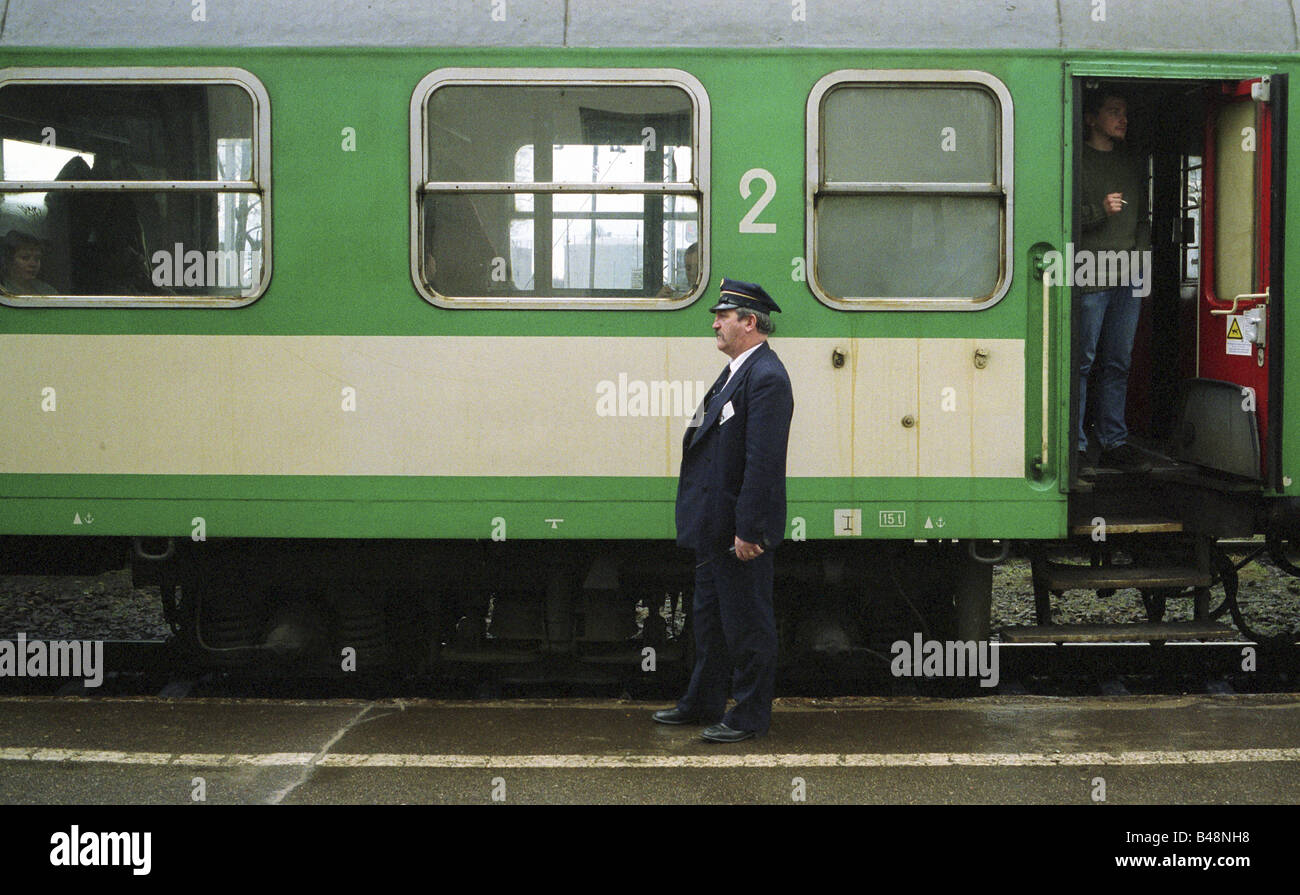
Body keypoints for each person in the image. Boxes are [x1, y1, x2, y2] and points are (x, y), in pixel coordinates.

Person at [653, 277, 794, 742]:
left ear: (749, 322)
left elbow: (763, 463)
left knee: (748, 625)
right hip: (715, 527)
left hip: (740, 531)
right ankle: (703, 702)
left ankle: (750, 716)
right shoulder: (736, 371)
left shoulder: (767, 378)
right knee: (710, 624)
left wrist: (750, 530)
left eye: (723, 316)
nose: (714, 323)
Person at [1077, 88, 1152, 474]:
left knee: (1118, 363)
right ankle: (1075, 444)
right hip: (1088, 271)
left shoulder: (1130, 162)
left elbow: (1142, 220)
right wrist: (1099, 212)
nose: (1122, 119)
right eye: (1113, 112)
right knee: (1083, 362)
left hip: (1129, 276)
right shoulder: (1077, 160)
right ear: (1091, 119)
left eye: (1125, 112)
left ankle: (1113, 441)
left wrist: (1139, 261)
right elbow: (1061, 217)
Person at [1, 230, 57, 295]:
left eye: (37, 258)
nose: (33, 264)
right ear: (9, 260)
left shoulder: (48, 291)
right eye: (25, 258)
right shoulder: (3, 290)